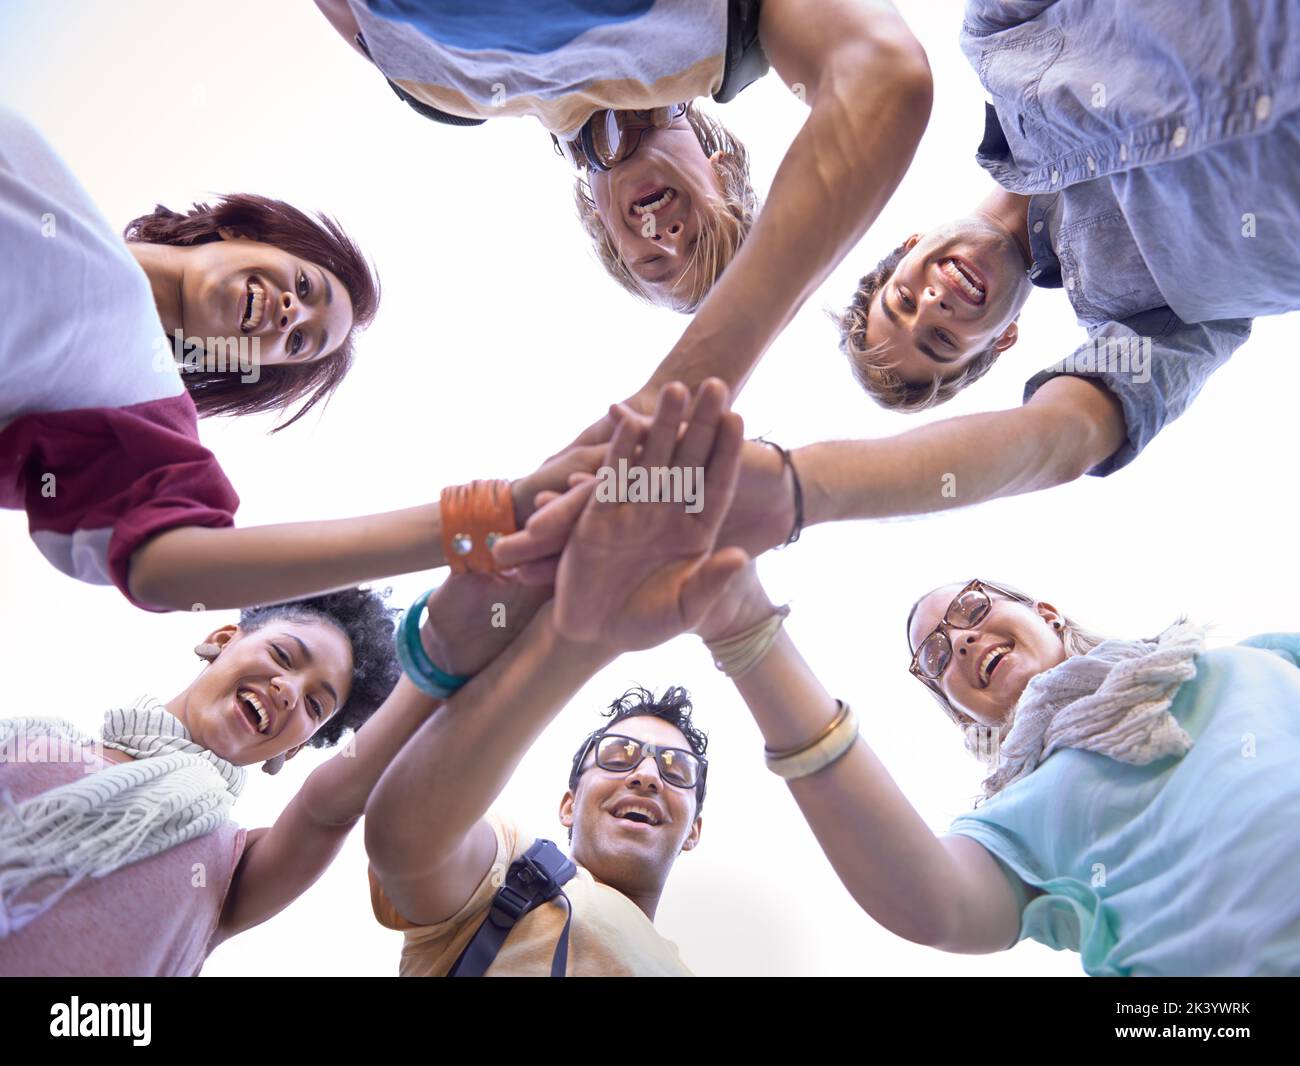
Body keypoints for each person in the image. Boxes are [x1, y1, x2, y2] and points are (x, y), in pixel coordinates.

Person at [0, 107, 600, 611]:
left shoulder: (138, 405)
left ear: (242, 366)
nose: (293, 313)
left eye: (298, 343)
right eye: (308, 288)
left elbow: (175, 565)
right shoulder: (45, 179)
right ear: (246, 233)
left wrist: (490, 517)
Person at [314, 0, 933, 422]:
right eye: (698, 241)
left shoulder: (448, 96)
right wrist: (704, 373)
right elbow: (886, 78)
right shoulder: (739, 36)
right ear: (722, 175)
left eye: (652, 263)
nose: (665, 235)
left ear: (602, 224)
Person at [364, 379, 751, 975]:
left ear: (694, 830)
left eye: (676, 771)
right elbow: (408, 839)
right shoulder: (513, 867)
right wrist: (579, 632)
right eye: (619, 754)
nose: (647, 775)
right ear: (568, 804)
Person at [0, 569, 553, 976]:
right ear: (221, 641)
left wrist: (442, 657)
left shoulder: (236, 867)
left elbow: (329, 807)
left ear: (289, 751)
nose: (289, 691)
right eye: (285, 657)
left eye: (316, 706)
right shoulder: (31, 743)